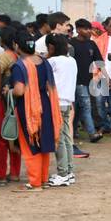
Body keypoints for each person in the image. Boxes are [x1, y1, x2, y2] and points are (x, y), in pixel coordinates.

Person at [8, 28, 62, 191]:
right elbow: (48, 85)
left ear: (17, 45)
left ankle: (34, 182)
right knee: (44, 142)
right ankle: (43, 178)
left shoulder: (19, 66)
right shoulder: (43, 61)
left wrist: (8, 91)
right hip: (45, 104)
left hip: (28, 107)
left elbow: (19, 90)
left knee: (30, 143)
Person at [45, 35, 79, 187]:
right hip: (67, 102)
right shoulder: (72, 60)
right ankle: (69, 171)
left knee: (59, 140)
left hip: (56, 102)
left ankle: (63, 173)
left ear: (52, 47)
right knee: (66, 138)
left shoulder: (52, 61)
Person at [0, 27, 22, 183]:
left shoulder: (3, 57)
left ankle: (0, 173)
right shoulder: (21, 55)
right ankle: (15, 172)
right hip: (19, 100)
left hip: (4, 101)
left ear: (1, 40)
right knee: (15, 136)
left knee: (2, 137)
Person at [71, 19, 103, 143]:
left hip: (88, 81)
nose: (89, 31)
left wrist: (102, 76)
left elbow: (99, 61)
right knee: (86, 106)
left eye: (90, 28)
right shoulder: (70, 44)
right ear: (78, 30)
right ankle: (92, 133)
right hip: (75, 81)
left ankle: (72, 131)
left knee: (79, 108)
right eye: (86, 29)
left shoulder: (92, 44)